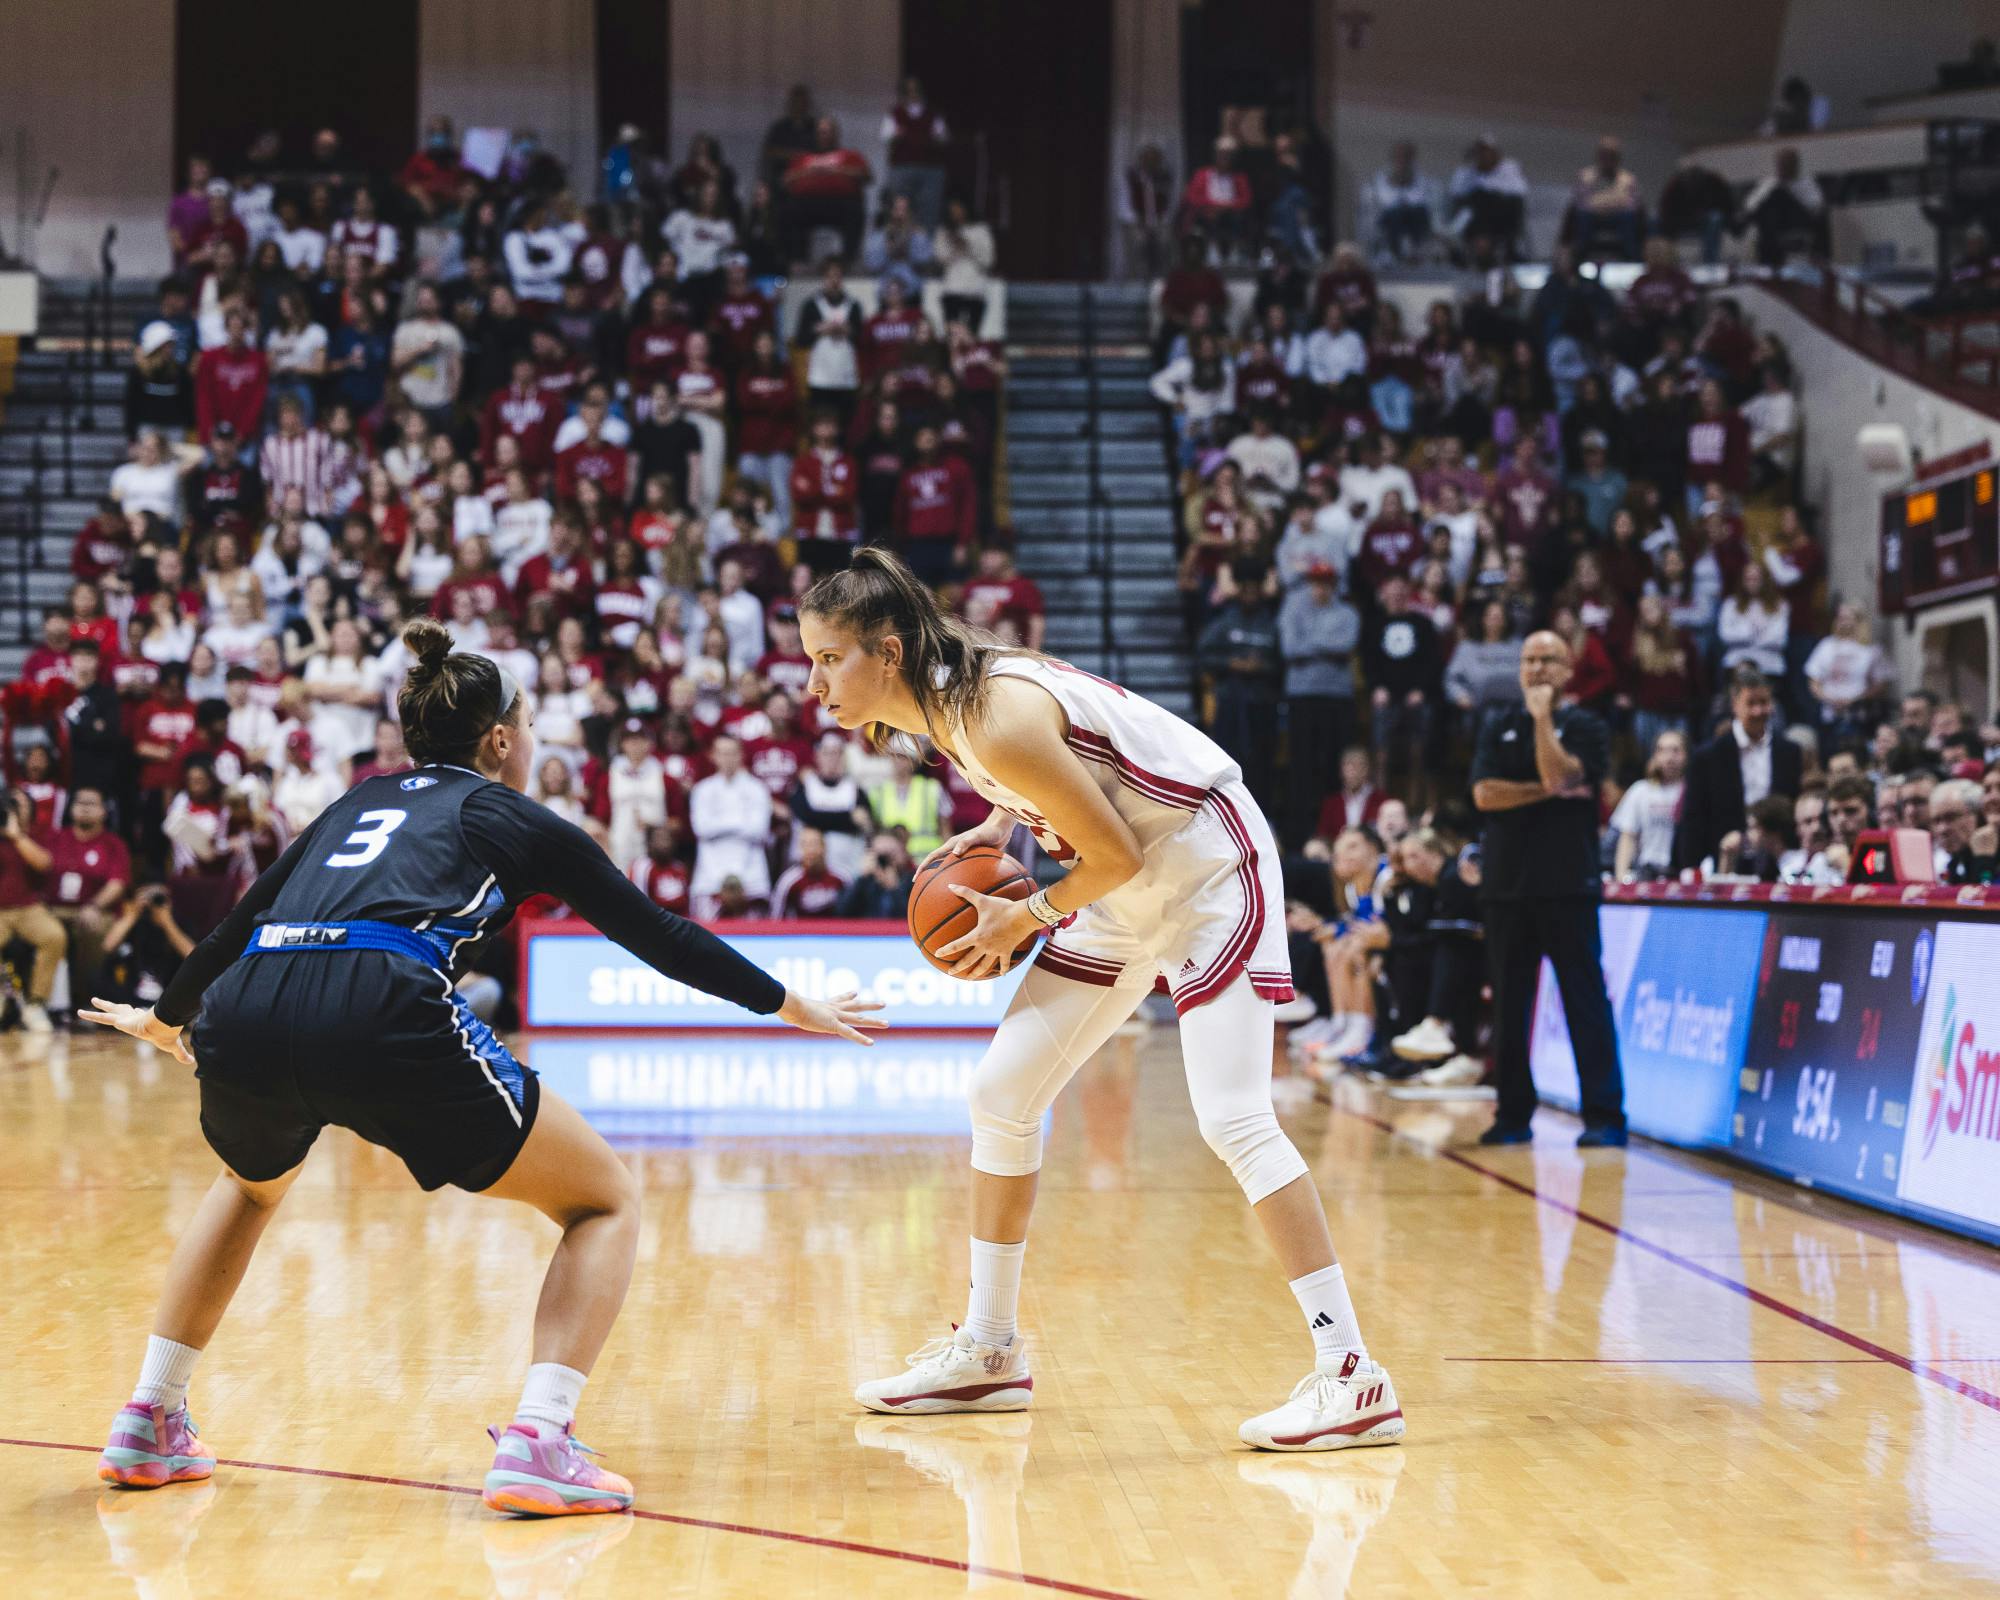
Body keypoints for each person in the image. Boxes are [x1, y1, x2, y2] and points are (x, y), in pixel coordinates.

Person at [84, 619, 881, 1510]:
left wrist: (167, 1015)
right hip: (380, 998)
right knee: (603, 1200)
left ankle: (150, 1418)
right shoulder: (508, 812)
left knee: (247, 1186)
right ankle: (541, 1439)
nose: (534, 734)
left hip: (249, 1003)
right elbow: (657, 934)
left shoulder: (356, 802)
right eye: (530, 719)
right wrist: (788, 1003)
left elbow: (241, 921)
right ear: (501, 737)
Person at [808, 548, 1402, 1453]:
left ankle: (1353, 1376)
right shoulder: (950, 702)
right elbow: (1068, 785)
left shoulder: (989, 714)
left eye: (826, 658)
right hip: (1124, 885)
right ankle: (992, 1351)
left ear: (885, 654)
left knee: (1235, 1119)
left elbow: (1113, 850)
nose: (813, 682)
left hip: (1207, 867)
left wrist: (1025, 919)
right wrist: (1001, 824)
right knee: (1002, 1098)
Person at [1470, 629, 1625, 1147]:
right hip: (1507, 889)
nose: (1536, 668)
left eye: (1548, 660)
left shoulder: (1587, 726)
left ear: (1567, 670)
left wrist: (1542, 722)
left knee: (1586, 1002)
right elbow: (1485, 796)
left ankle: (1604, 1117)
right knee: (1510, 1008)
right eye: (1529, 659)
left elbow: (1561, 777)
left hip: (1568, 887)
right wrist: (1547, 792)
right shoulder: (1495, 724)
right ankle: (1513, 1117)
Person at [1672, 665, 1803, 875]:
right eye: (1751, 703)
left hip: (1775, 865)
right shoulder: (1707, 756)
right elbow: (1693, 817)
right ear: (1735, 705)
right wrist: (1690, 868)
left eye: (1764, 703)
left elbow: (1792, 808)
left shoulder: (1789, 752)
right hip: (1720, 863)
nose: (1758, 711)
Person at [0, 789, 65, 1033]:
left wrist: (16, 836)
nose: (14, 807)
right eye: (9, 802)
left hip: (29, 907)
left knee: (54, 936)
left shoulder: (40, 835)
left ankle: (36, 1003)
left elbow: (44, 864)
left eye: (19, 803)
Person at [1610, 731, 1688, 882]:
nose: (1669, 758)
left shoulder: (1693, 792)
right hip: (1646, 873)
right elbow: (1627, 836)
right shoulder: (1641, 790)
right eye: (1662, 750)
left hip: (1681, 875)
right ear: (1655, 755)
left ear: (1686, 755)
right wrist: (1621, 877)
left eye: (1676, 750)